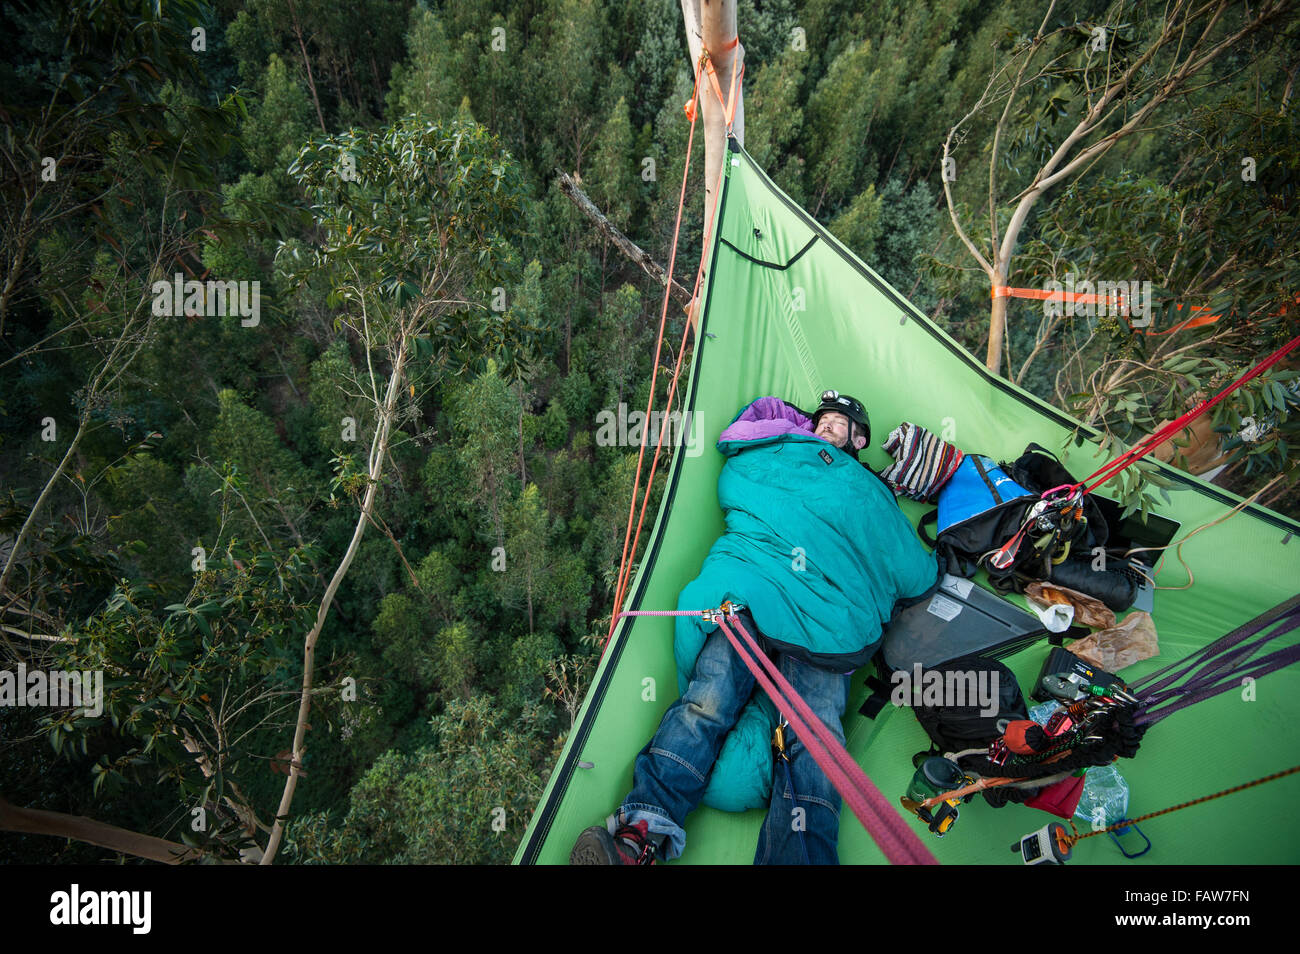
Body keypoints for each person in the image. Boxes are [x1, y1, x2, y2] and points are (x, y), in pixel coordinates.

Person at [570, 390, 939, 865]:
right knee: (710, 699)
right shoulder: (782, 449)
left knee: (815, 736)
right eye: (822, 418)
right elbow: (739, 481)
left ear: (859, 438)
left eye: (838, 422)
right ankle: (640, 835)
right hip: (751, 580)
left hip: (827, 617)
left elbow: (911, 570)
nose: (826, 424)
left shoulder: (867, 488)